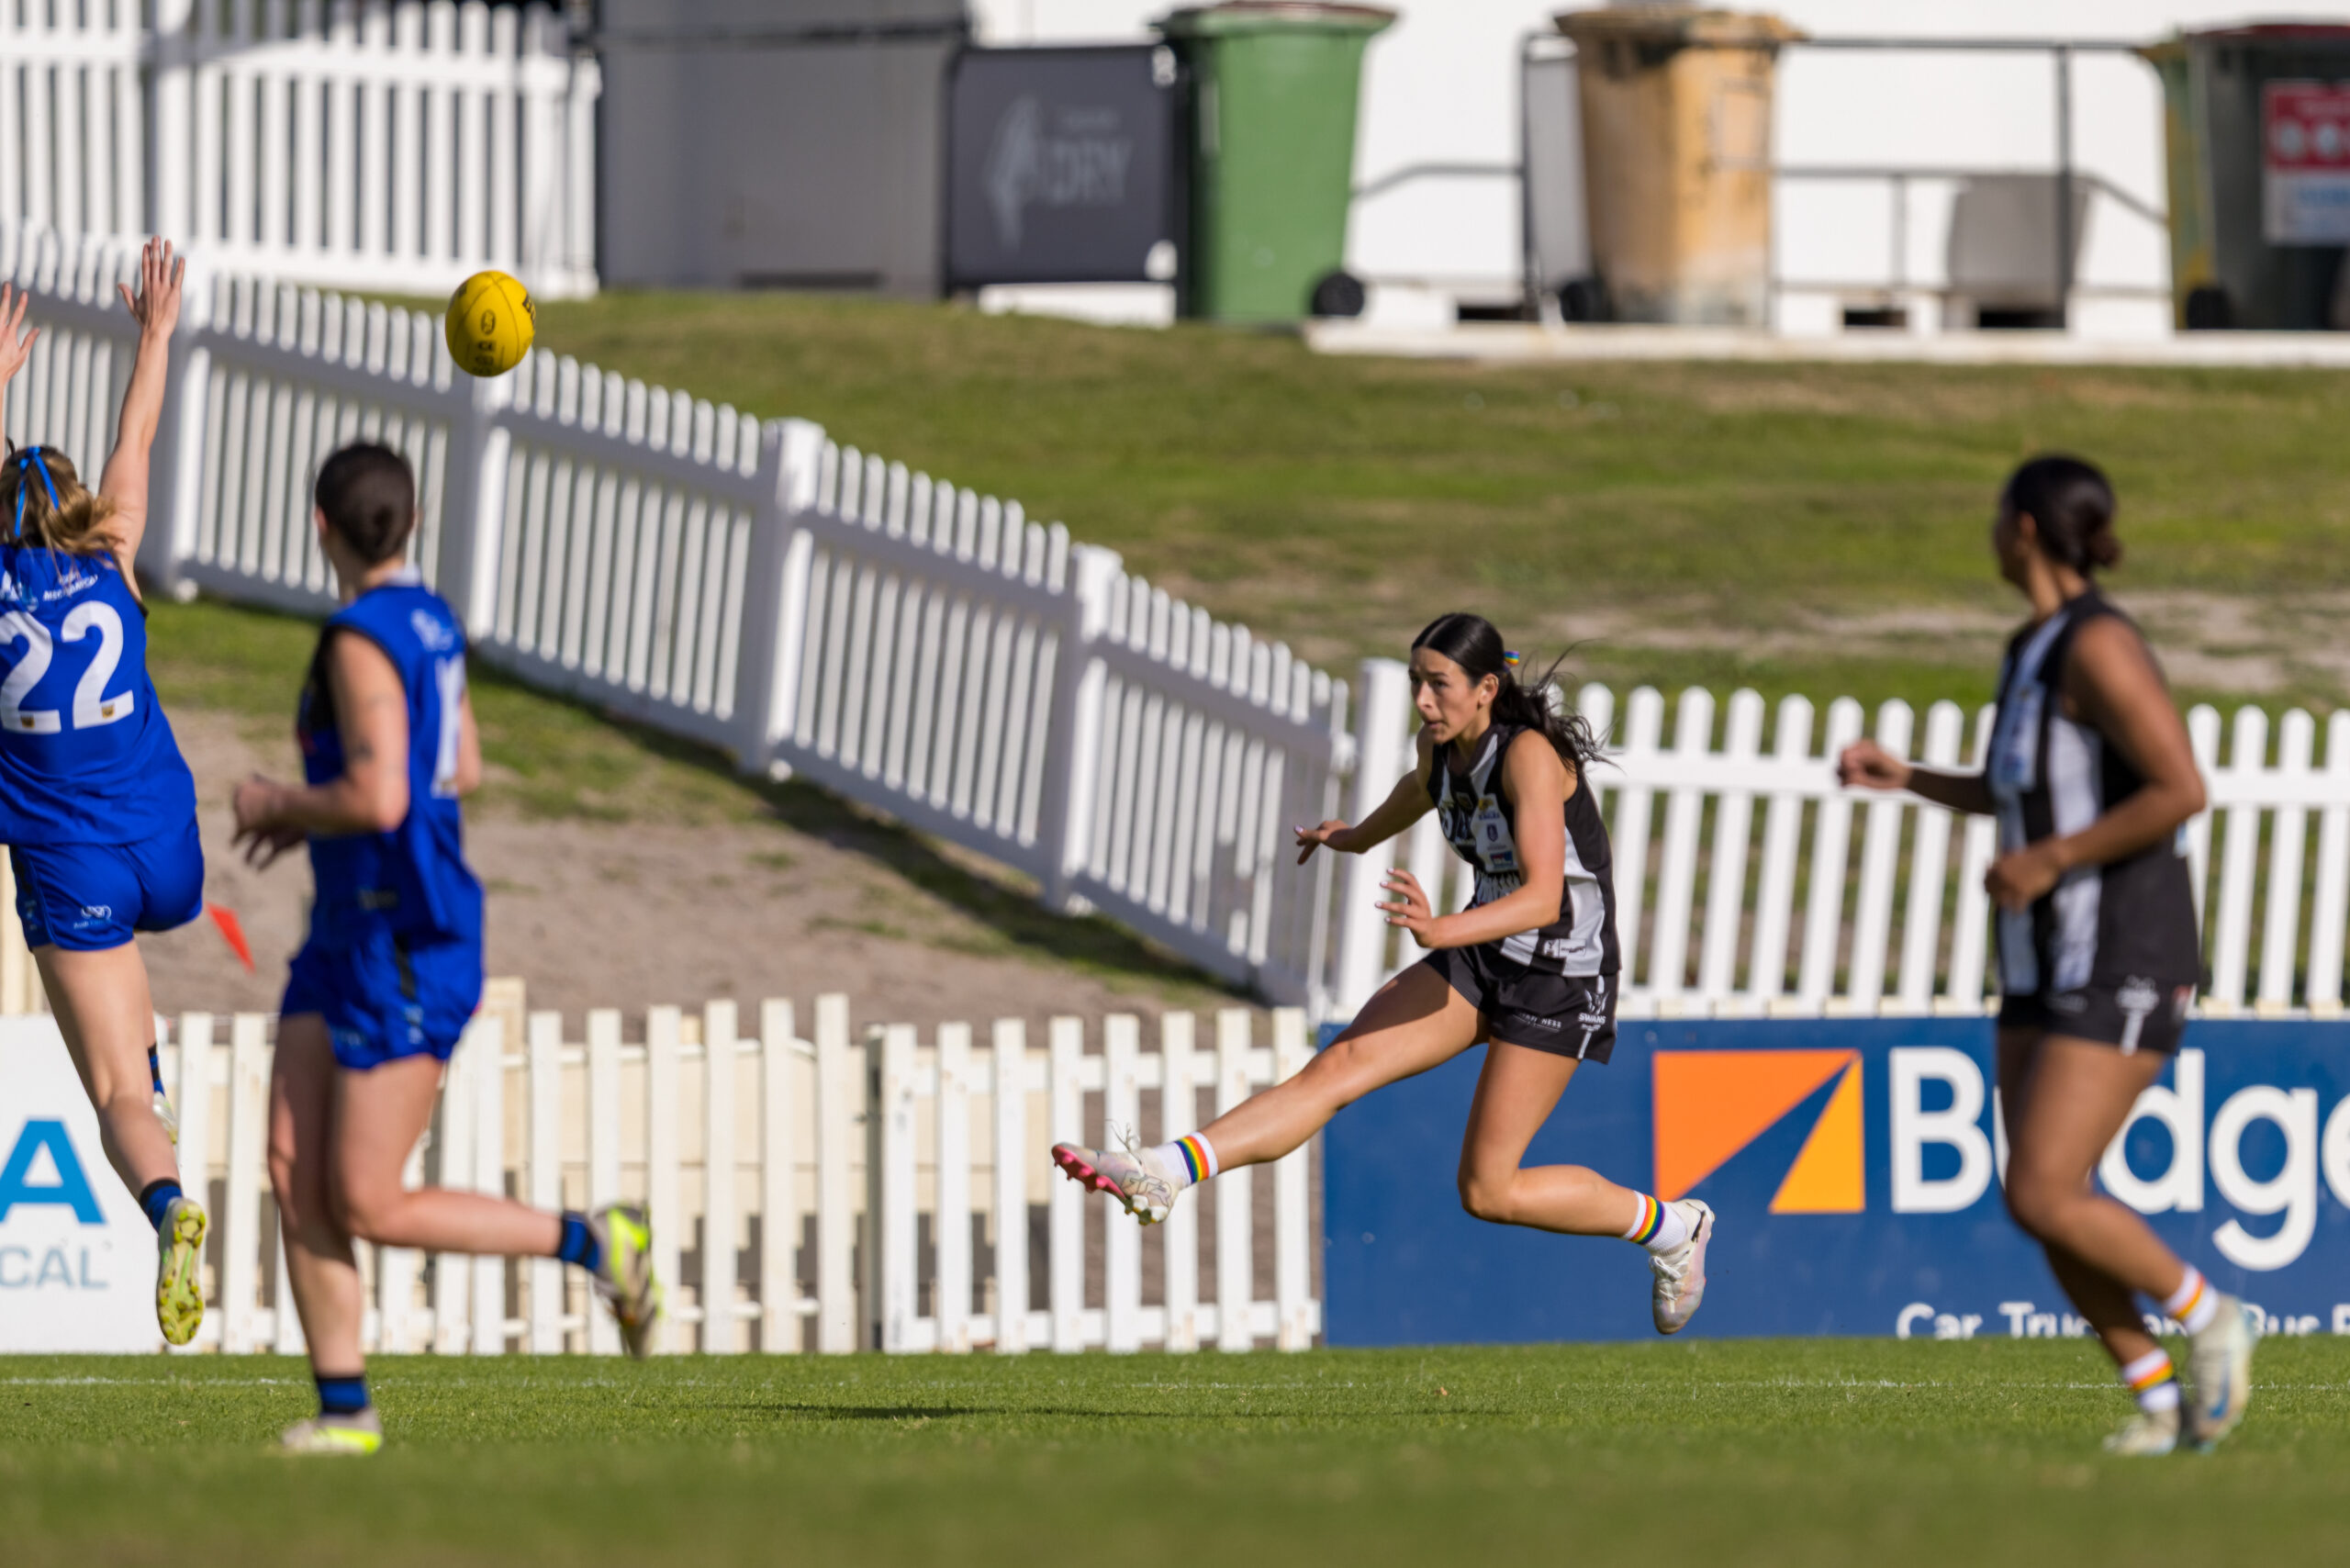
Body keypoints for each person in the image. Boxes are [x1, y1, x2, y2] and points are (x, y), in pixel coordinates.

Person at [1051, 610, 1716, 1334]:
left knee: (1488, 1190)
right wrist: (1355, 836)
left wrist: (1440, 929)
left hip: (1560, 975)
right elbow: (1419, 787)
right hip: (1486, 950)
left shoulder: (1528, 755)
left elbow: (1543, 897)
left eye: (1439, 685)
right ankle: (1165, 1171)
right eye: (1415, 684)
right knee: (1336, 1069)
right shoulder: (1438, 749)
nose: (1424, 701)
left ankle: (1673, 1228)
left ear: (1487, 687)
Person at [235, 443, 658, 1456]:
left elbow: (386, 792)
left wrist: (285, 801)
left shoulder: (358, 636)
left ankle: (595, 1240)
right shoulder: (431, 622)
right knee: (292, 1168)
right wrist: (329, 819)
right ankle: (345, 1413)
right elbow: (457, 764)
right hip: (350, 927)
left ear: (320, 527)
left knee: (369, 1197)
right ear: (411, 521)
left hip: (406, 938)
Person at [1839, 454, 2257, 1456]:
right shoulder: (2028, 645)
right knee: (2040, 1197)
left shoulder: (2099, 642)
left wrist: (2052, 860)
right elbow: (2020, 787)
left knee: (2042, 1187)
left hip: (2121, 946)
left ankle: (2209, 1317)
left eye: (1994, 515)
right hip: (2037, 958)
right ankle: (2158, 1402)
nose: (1988, 529)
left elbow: (2178, 788)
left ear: (2023, 527)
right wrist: (1912, 780)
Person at [0, 245, 209, 1348]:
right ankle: (159, 1087)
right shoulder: (112, 557)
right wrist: (153, 333)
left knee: (116, 1095)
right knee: (136, 1015)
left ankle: (168, 1206)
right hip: (167, 850)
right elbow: (136, 439)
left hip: (70, 861)